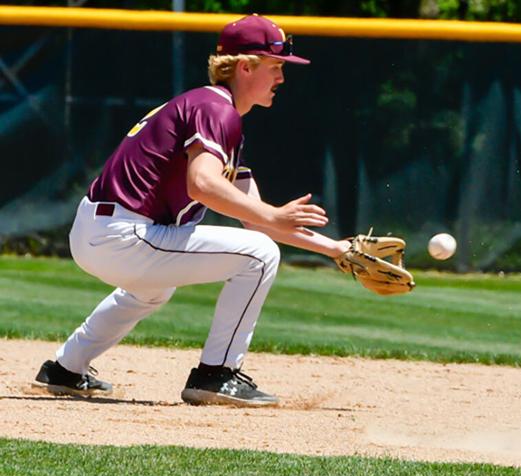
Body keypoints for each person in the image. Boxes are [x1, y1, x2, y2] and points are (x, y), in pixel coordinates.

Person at [31, 14, 354, 407]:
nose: (282, 78)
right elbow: (203, 184)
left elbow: (252, 215)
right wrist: (271, 216)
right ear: (246, 66)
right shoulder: (217, 111)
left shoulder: (211, 110)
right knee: (260, 255)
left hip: (101, 230)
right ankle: (216, 374)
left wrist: (339, 250)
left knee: (154, 289)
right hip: (124, 233)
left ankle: (66, 368)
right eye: (276, 67)